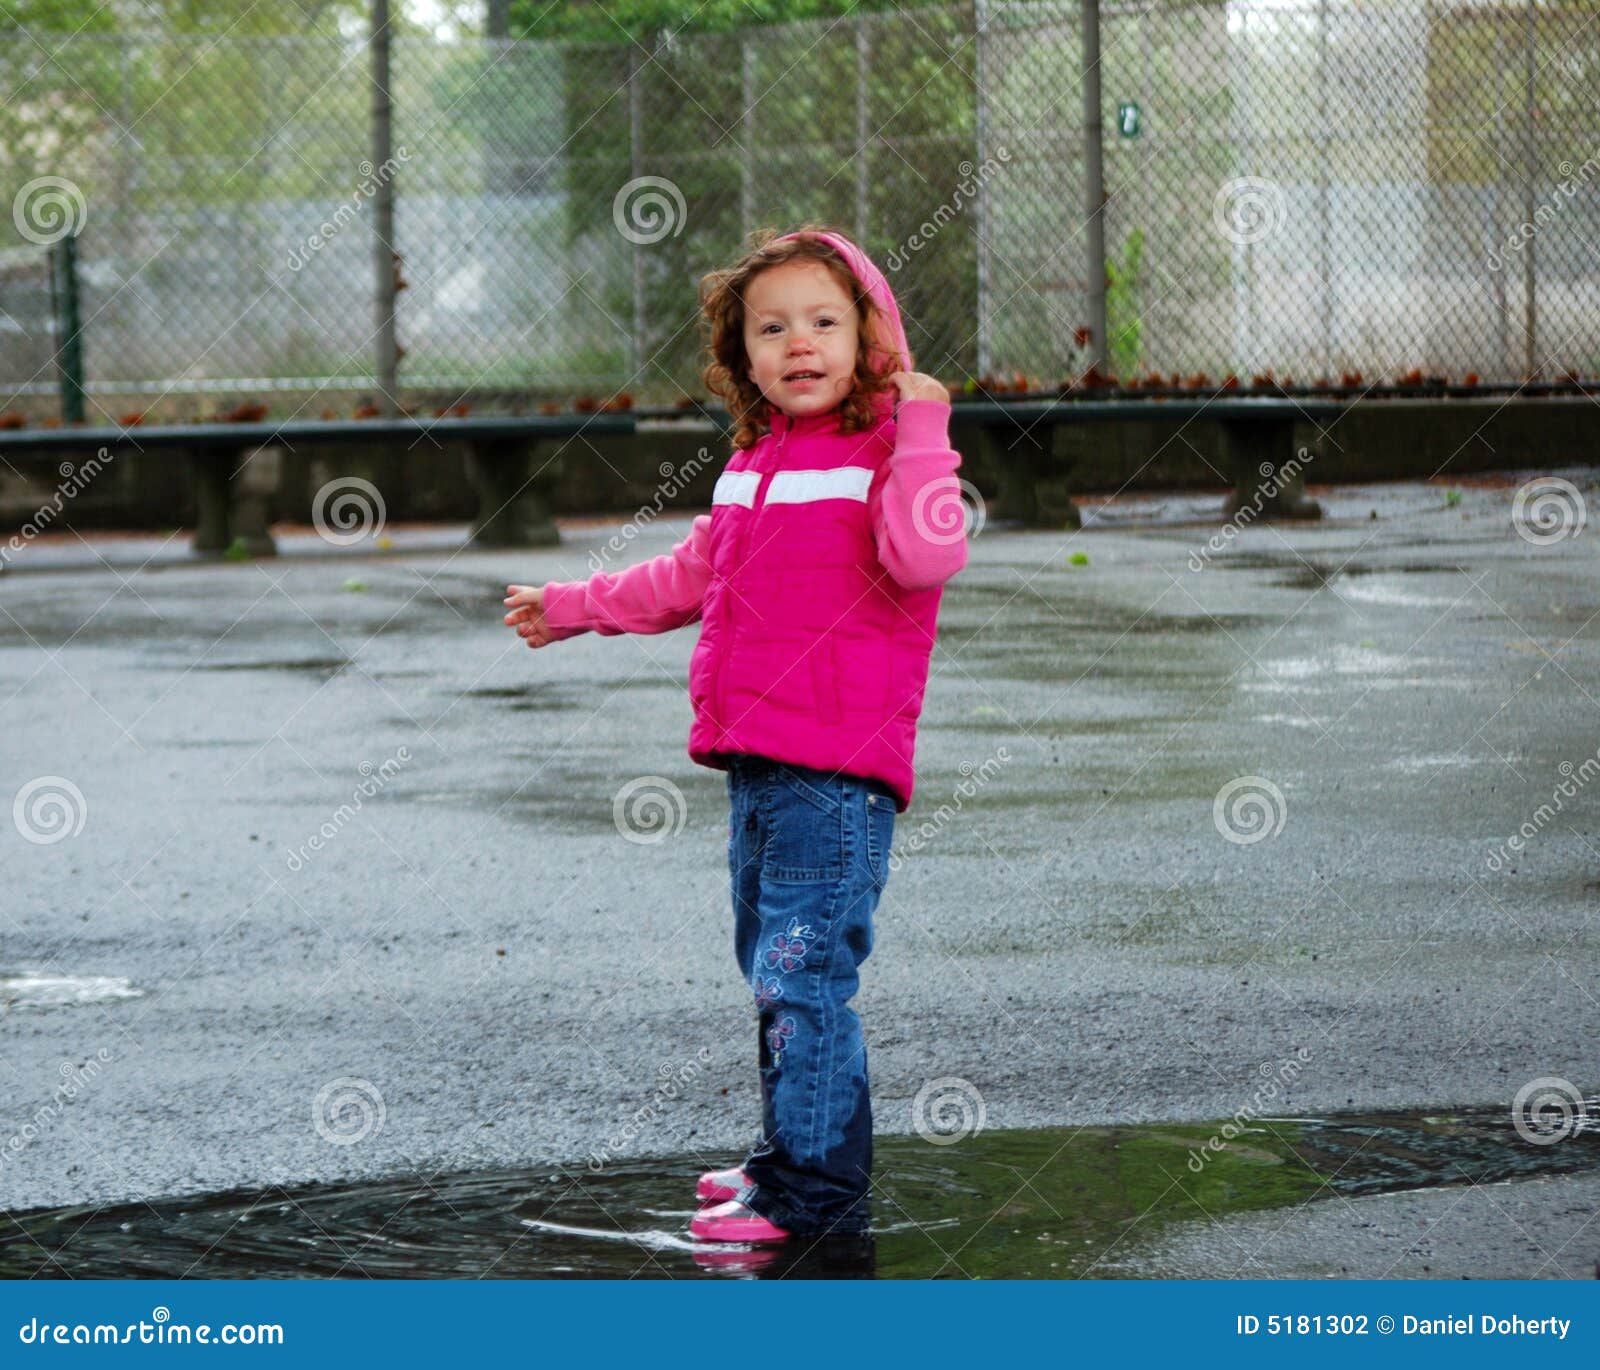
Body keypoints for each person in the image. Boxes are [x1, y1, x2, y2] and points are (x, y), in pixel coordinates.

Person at [502, 224, 968, 1242]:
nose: (797, 343)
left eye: (823, 322)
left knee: (805, 979)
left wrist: (923, 425)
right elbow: (688, 575)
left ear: (872, 338)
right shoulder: (756, 462)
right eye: (771, 327)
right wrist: (575, 603)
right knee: (776, 973)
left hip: (835, 775)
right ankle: (782, 1159)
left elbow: (929, 556)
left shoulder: (887, 452)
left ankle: (813, 1194)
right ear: (741, 353)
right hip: (760, 768)